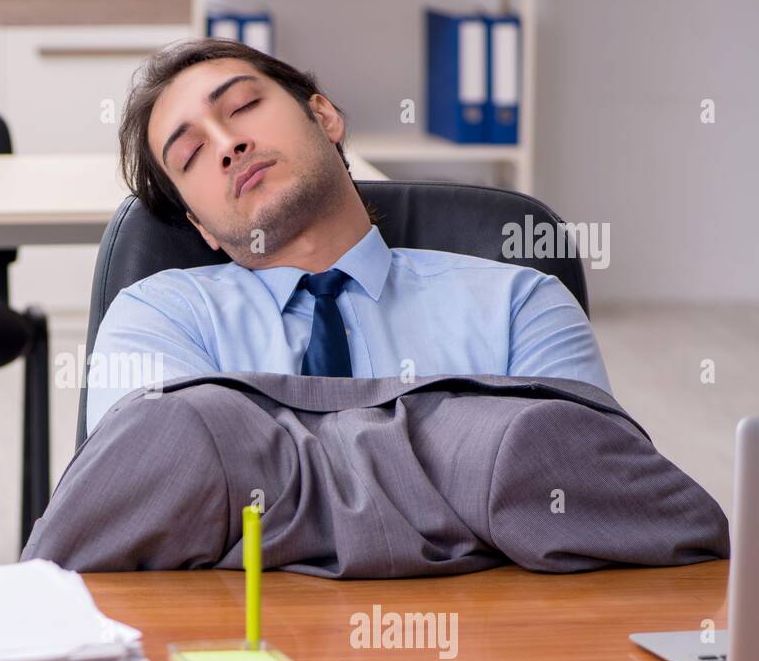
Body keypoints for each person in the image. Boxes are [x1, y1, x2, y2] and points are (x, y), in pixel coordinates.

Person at [85, 37, 612, 434]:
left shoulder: (521, 304)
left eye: (243, 106)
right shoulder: (154, 320)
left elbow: (584, 489)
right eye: (190, 154)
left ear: (324, 115)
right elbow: (161, 503)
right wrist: (462, 446)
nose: (227, 144)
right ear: (200, 225)